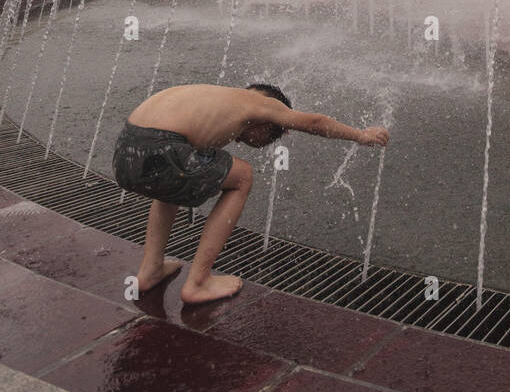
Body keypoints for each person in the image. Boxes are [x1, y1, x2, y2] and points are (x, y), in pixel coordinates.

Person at [112, 83, 389, 304]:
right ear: (268, 121)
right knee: (243, 176)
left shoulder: (216, 98)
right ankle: (198, 282)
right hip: (162, 149)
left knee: (172, 184)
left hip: (126, 152)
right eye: (272, 136)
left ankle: (150, 271)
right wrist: (360, 135)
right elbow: (314, 121)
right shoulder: (261, 104)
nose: (258, 143)